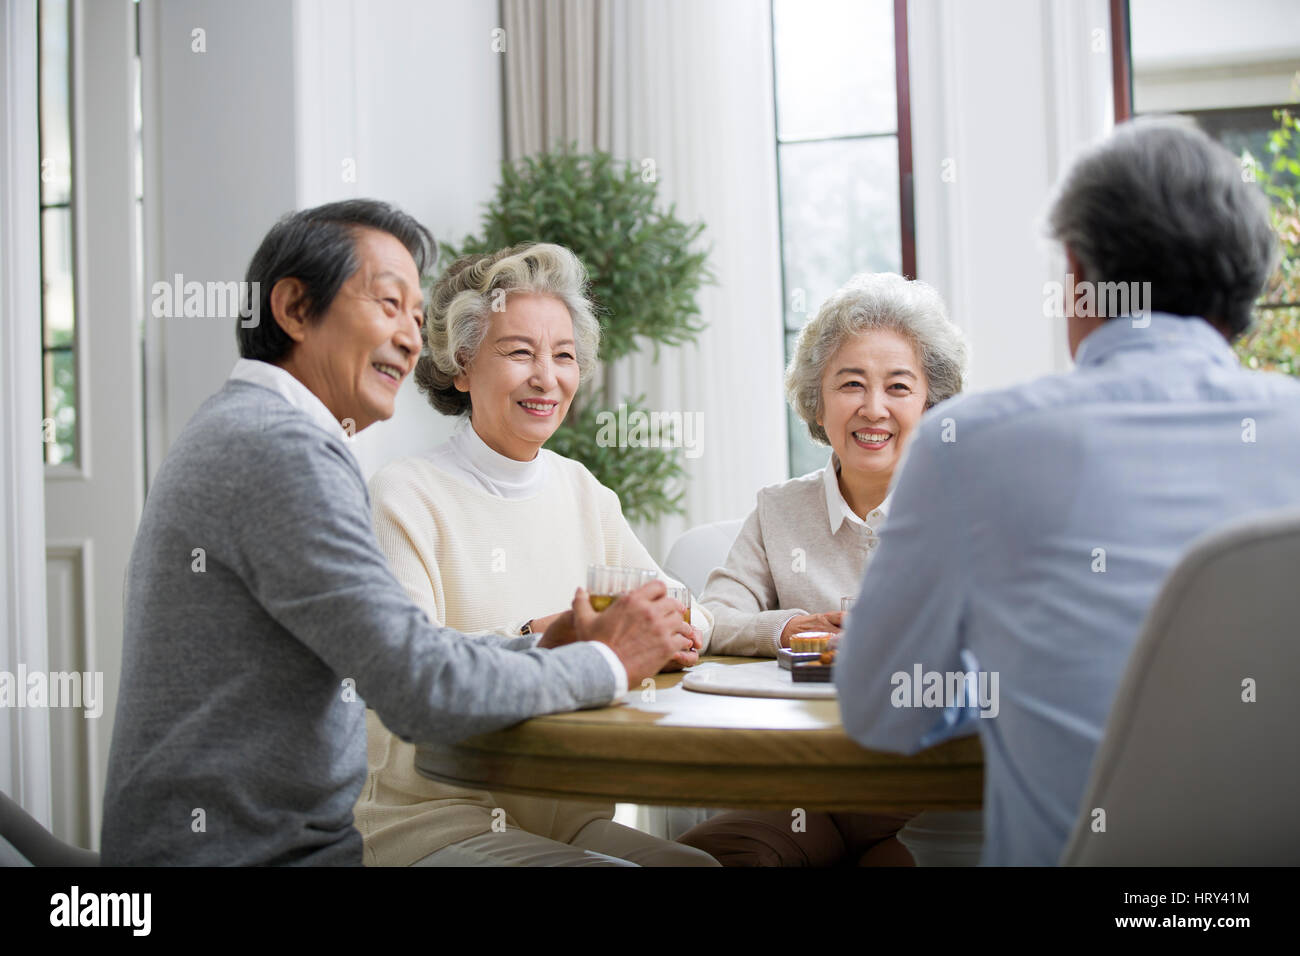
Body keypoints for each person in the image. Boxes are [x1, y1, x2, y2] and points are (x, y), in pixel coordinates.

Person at [100, 201, 695, 866]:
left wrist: (549, 647)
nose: (413, 339)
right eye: (389, 305)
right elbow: (421, 691)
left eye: (417, 316)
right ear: (295, 308)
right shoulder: (280, 451)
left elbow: (410, 656)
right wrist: (607, 662)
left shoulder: (245, 427)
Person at [834, 116, 1300, 865]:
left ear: (1080, 274)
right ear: (1243, 283)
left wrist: (1008, 679)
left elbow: (881, 710)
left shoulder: (970, 445)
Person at [353, 242, 718, 866]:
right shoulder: (404, 494)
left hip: (563, 817)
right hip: (435, 824)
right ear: (461, 366)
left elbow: (683, 606)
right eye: (519, 351)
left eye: (564, 355)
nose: (546, 377)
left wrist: (674, 627)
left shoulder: (583, 489)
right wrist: (537, 636)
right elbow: (403, 687)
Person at [678, 272, 967, 866]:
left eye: (898, 387)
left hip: (924, 789)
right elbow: (714, 618)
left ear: (930, 403)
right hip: (799, 783)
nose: (873, 408)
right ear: (818, 399)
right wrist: (792, 629)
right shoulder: (779, 509)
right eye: (851, 384)